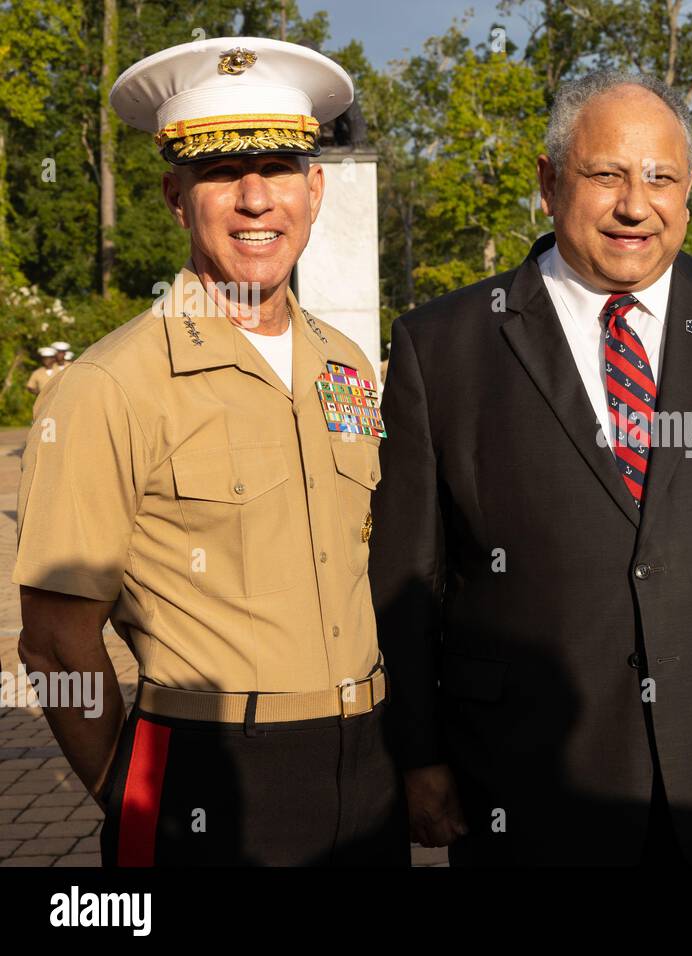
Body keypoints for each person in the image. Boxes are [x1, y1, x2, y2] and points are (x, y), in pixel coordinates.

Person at [370, 70, 692, 866]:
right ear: (548, 181)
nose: (635, 204)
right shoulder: (442, 347)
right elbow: (405, 575)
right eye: (606, 174)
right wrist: (417, 753)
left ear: (688, 188)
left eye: (661, 178)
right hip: (528, 786)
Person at [13, 36, 406, 867]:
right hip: (209, 771)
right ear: (174, 197)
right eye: (223, 174)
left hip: (368, 765)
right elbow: (54, 643)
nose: (256, 199)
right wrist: (128, 793)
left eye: (279, 168)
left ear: (317, 188)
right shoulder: (111, 386)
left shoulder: (345, 362)